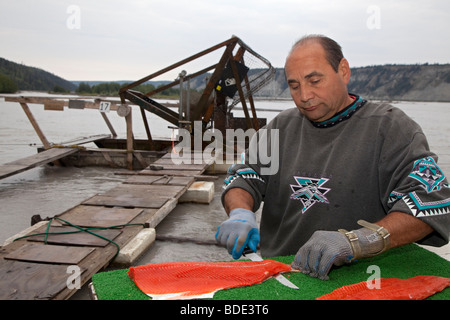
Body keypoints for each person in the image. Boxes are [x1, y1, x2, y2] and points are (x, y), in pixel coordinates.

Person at [215, 34, 450, 280]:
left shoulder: (390, 127)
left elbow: (432, 203)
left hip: (363, 280)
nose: (304, 95)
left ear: (344, 71)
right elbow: (244, 177)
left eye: (314, 81)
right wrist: (240, 212)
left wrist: (357, 242)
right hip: (280, 275)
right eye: (294, 86)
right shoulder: (279, 128)